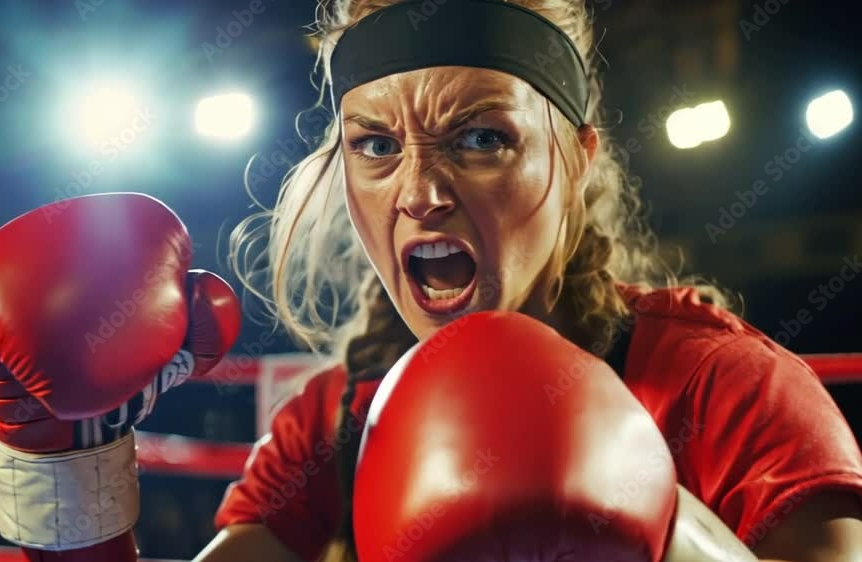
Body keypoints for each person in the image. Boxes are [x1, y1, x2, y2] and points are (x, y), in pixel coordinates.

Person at [202, 0, 862, 561]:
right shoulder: (331, 419)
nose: (421, 194)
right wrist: (124, 424)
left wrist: (670, 531)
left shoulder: (723, 387)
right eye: (377, 146)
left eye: (481, 139)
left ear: (577, 159)